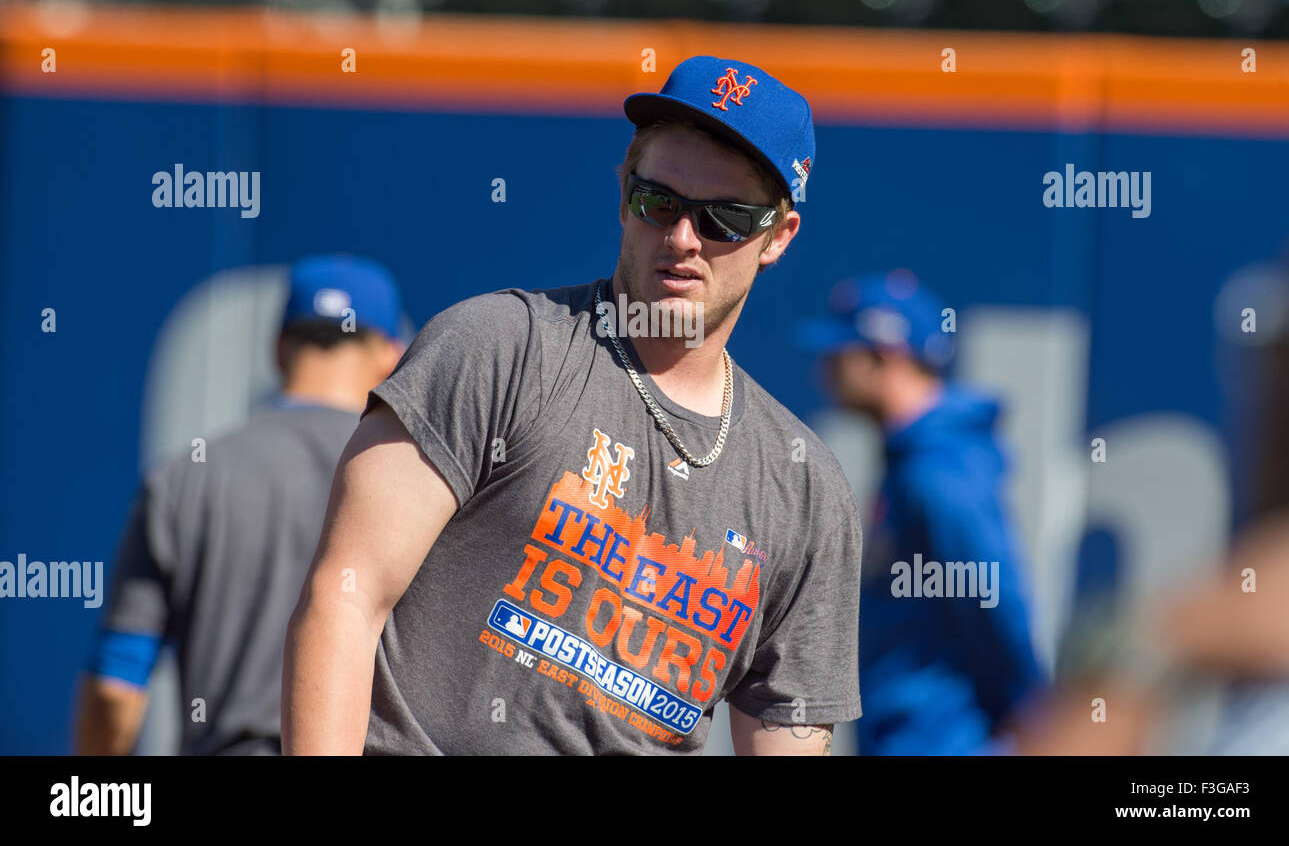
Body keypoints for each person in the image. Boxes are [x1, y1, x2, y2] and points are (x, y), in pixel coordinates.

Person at [282, 55, 863, 755]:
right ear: (624, 193)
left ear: (778, 236)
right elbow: (344, 597)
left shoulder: (805, 488)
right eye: (660, 202)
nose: (683, 238)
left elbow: (787, 734)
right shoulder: (498, 347)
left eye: (724, 219)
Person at [76, 255, 405, 756]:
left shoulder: (185, 477)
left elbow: (116, 683)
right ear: (389, 355)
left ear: (278, 348)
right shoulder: (411, 483)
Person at [797, 271, 1045, 754]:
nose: (825, 368)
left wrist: (1037, 724)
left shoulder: (936, 470)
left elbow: (996, 600)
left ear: (884, 354)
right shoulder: (913, 459)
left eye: (839, 352)